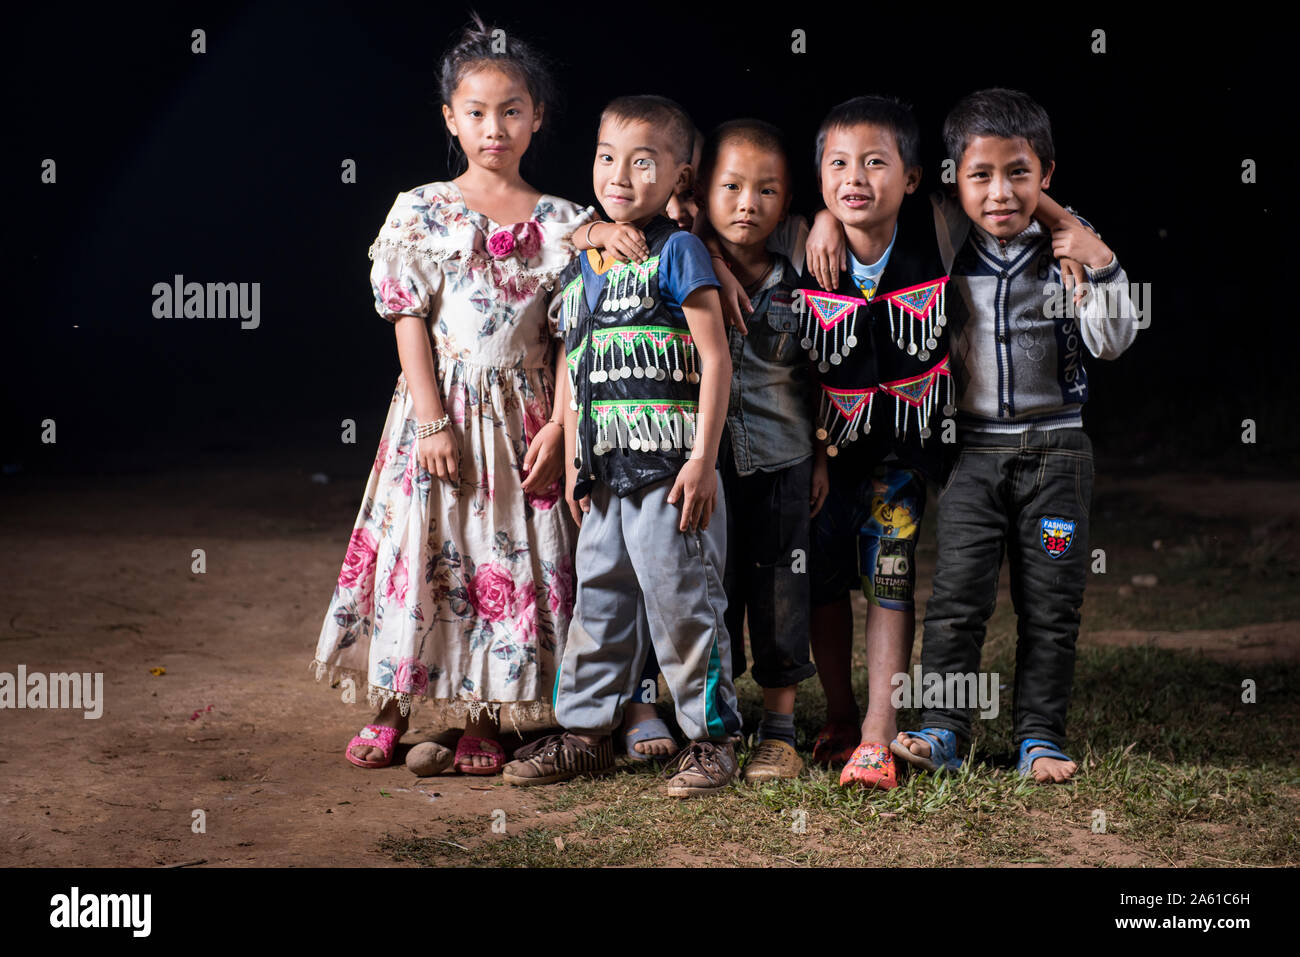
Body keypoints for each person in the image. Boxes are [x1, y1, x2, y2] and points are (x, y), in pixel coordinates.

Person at [312, 16, 593, 776]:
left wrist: (563, 425)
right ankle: (393, 707)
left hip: (524, 422)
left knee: (497, 561)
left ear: (537, 117)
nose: (493, 127)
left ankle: (483, 717)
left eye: (512, 110)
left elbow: (573, 340)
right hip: (440, 416)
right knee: (423, 551)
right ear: (450, 118)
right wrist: (432, 419)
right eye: (476, 111)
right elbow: (408, 316)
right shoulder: (423, 208)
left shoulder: (569, 225)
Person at [888, 88, 1139, 783]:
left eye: (1020, 174)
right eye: (981, 174)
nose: (1000, 192)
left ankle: (1039, 738)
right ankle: (942, 728)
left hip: (1058, 454)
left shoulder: (1069, 248)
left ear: (1047, 173)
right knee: (957, 599)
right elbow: (873, 206)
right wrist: (821, 225)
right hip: (973, 454)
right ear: (953, 181)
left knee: (1052, 603)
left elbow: (1114, 341)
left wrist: (1101, 259)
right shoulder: (943, 238)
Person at [502, 94, 744, 797]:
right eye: (609, 157)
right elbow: (576, 367)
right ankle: (585, 734)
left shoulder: (681, 251)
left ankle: (711, 740)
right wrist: (579, 459)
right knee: (599, 603)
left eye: (644, 163)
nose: (620, 174)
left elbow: (716, 358)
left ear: (680, 180)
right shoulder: (589, 263)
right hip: (606, 474)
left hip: (672, 474)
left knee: (684, 604)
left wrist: (703, 460)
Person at [696, 119, 826, 781]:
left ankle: (779, 728)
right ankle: (711, 718)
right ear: (701, 189)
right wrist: (705, 252)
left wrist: (823, 456)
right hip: (704, 465)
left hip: (784, 458)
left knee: (782, 586)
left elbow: (816, 376)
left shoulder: (800, 275)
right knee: (707, 585)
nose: (748, 202)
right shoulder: (682, 262)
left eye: (766, 190)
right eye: (732, 186)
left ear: (787, 202)